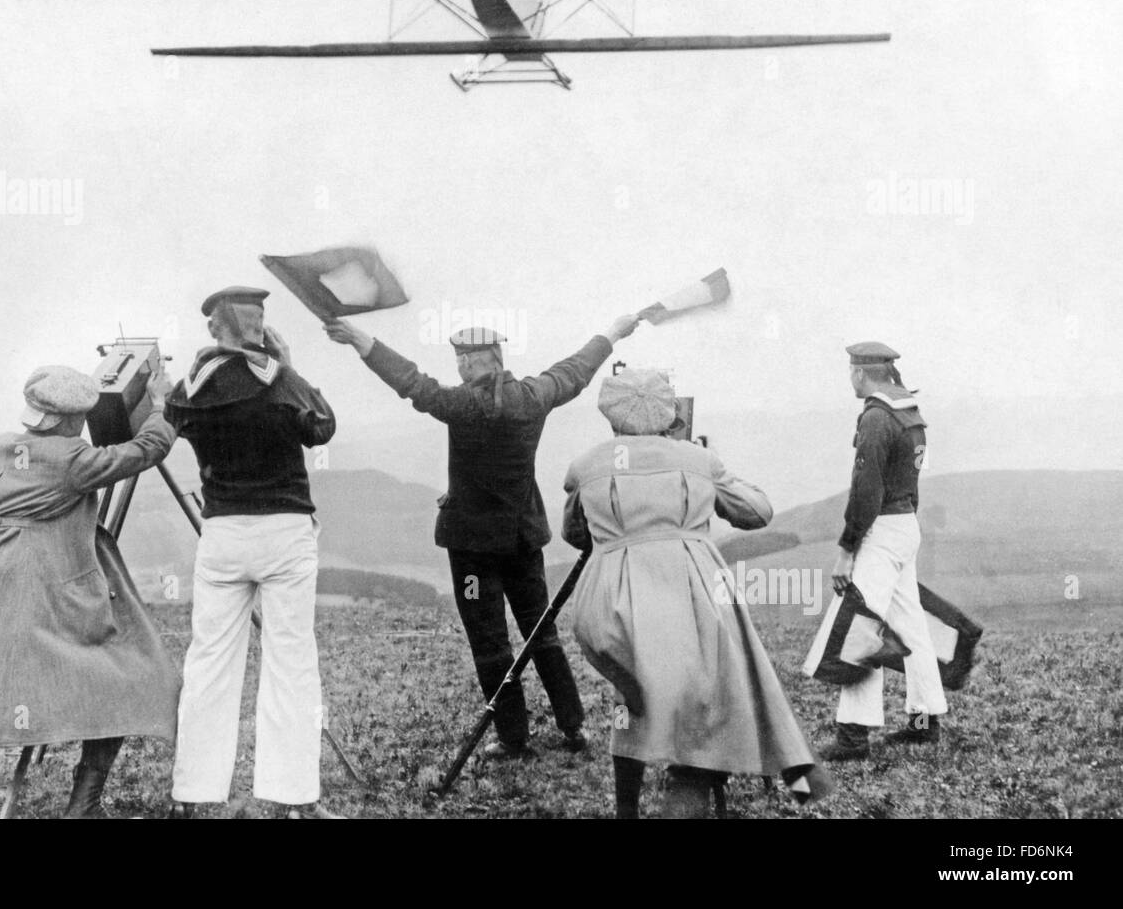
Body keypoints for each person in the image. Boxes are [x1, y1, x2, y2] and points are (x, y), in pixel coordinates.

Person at [325, 314, 640, 758]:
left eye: (463, 360)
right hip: (523, 540)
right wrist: (611, 332)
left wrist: (363, 341)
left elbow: (413, 383)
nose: (459, 367)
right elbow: (575, 370)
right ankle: (572, 726)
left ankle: (514, 737)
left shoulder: (461, 405)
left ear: (478, 362)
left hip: (472, 551)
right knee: (541, 630)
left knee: (489, 640)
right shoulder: (533, 396)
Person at [0, 363, 181, 818]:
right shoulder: (70, 461)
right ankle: (85, 801)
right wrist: (160, 404)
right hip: (21, 593)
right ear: (73, 421)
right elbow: (147, 449)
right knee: (131, 675)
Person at [562, 368, 832, 818]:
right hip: (694, 588)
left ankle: (629, 806)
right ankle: (710, 778)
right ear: (670, 415)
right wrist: (704, 468)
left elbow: (575, 533)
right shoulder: (698, 461)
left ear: (611, 418)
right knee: (722, 676)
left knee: (629, 699)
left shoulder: (586, 466)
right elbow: (757, 513)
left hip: (611, 602)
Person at [166, 286, 340, 819]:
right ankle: (295, 800)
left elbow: (159, 426)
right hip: (284, 530)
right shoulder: (280, 379)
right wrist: (288, 365)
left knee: (209, 662)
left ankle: (192, 797)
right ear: (258, 326)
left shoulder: (188, 389)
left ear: (214, 328)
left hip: (221, 531)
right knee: (291, 661)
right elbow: (323, 426)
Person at [807, 341, 946, 761]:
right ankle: (924, 724)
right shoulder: (908, 412)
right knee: (911, 629)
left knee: (858, 630)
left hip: (882, 531)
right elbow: (910, 481)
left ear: (861, 373)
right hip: (906, 525)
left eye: (850, 370)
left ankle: (852, 740)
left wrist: (848, 549)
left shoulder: (876, 417)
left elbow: (866, 492)